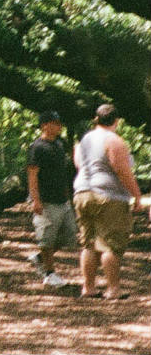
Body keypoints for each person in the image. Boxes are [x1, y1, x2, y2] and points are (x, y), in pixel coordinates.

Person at [73, 104, 147, 299]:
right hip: (107, 196)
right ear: (117, 120)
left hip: (82, 192)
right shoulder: (114, 140)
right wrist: (136, 195)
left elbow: (79, 163)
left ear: (97, 119)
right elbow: (121, 169)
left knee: (89, 244)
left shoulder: (85, 140)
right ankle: (113, 289)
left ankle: (88, 288)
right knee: (110, 245)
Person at [26, 111, 76, 289]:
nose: (59, 126)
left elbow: (63, 172)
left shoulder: (60, 144)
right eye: (55, 123)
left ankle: (39, 258)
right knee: (47, 238)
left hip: (62, 199)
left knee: (69, 233)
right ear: (45, 125)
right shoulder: (37, 147)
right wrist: (35, 200)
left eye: (59, 123)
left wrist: (68, 196)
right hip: (46, 200)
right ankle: (49, 273)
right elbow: (32, 174)